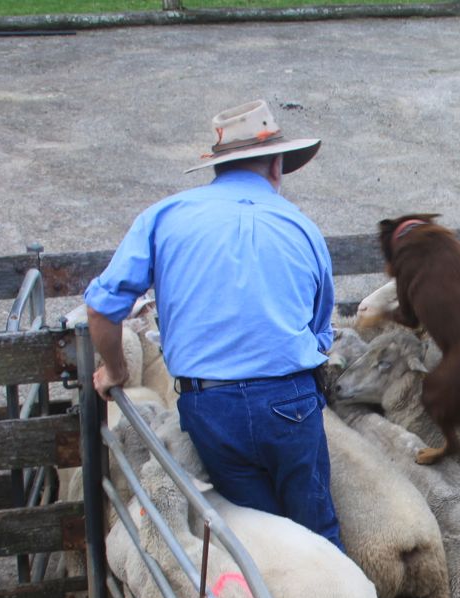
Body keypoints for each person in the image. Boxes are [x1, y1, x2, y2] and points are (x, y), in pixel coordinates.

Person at [83, 99, 343, 550]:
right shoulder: (302, 227)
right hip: (289, 400)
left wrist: (116, 372)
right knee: (315, 533)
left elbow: (101, 310)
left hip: (211, 404)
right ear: (278, 166)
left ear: (219, 166)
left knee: (257, 537)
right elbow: (320, 331)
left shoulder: (164, 217)